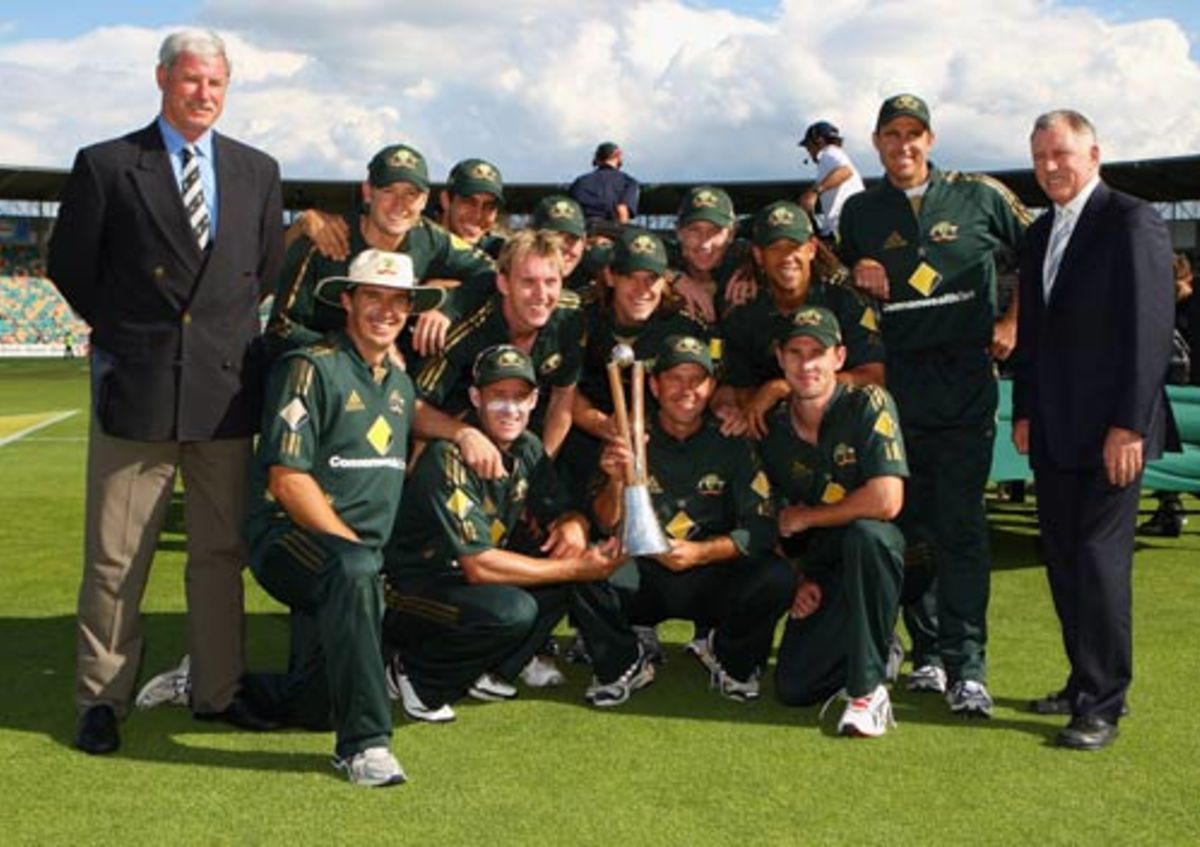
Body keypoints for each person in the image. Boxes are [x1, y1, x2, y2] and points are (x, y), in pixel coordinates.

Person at [47, 29, 284, 755]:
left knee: (219, 553)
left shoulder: (256, 170)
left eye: (215, 82)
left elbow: (263, 271)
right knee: (117, 558)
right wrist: (137, 335)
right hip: (140, 389)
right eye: (190, 80)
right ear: (161, 79)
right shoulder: (109, 165)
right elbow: (70, 266)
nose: (203, 93)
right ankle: (102, 698)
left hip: (222, 393)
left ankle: (219, 690)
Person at [232, 249, 504, 784]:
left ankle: (214, 682)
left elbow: (410, 411)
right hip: (291, 540)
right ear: (348, 300)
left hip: (358, 565)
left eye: (397, 300)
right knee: (353, 573)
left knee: (314, 702)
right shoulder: (310, 367)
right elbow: (287, 479)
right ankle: (365, 746)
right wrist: (352, 552)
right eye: (373, 297)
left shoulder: (398, 381)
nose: (386, 309)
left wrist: (463, 430)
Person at [838, 93, 1030, 717]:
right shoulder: (862, 211)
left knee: (963, 527)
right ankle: (926, 653)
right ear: (876, 143)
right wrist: (857, 266)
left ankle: (967, 666)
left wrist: (1013, 319)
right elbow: (843, 281)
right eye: (891, 135)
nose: (904, 145)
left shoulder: (981, 195)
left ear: (931, 138)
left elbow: (1043, 252)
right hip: (896, 390)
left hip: (966, 383)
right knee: (907, 524)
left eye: (914, 134)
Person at [1012, 110, 1177, 751]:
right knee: (1061, 559)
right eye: (1040, 157)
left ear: (1094, 154)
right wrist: (1025, 409)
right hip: (1053, 429)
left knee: (1099, 562)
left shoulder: (1132, 221)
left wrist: (1127, 426)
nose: (1051, 167)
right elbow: (1034, 336)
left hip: (1113, 433)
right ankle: (1085, 679)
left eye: (1061, 154)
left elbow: (1149, 332)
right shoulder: (1039, 232)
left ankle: (1104, 704)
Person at [381, 344, 625, 722]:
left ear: (534, 401)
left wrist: (575, 524)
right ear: (476, 397)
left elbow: (560, 507)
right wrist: (579, 569)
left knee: (567, 554)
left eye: (520, 397)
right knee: (514, 609)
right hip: (407, 590)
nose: (511, 409)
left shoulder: (527, 446)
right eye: (498, 397)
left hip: (465, 583)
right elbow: (479, 565)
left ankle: (486, 669)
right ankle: (416, 675)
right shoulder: (447, 456)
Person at [586, 335, 794, 703]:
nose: (687, 390)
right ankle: (624, 660)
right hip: (645, 575)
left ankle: (729, 655)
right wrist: (616, 481)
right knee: (583, 565)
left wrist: (700, 553)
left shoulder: (731, 441)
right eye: (674, 378)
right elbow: (605, 523)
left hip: (708, 577)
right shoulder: (630, 437)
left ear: (711, 386)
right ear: (654, 384)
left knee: (776, 576)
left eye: (697, 380)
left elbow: (762, 526)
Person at [760, 307, 907, 737]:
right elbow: (764, 515)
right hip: (827, 567)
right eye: (796, 353)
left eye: (818, 353)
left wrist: (808, 517)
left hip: (891, 557)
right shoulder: (772, 427)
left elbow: (886, 499)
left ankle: (868, 691)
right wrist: (797, 578)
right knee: (793, 687)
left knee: (866, 534)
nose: (807, 365)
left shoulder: (868, 402)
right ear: (781, 359)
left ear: (839, 357)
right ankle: (878, 645)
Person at [268, 144, 496, 360]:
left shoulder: (430, 238)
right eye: (389, 191)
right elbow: (280, 328)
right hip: (319, 370)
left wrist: (448, 307)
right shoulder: (327, 238)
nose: (399, 204)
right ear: (368, 192)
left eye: (411, 194)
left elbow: (491, 272)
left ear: (425, 200)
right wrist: (356, 351)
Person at [716, 200, 884, 439]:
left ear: (812, 249)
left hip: (845, 421)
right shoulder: (745, 309)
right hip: (775, 432)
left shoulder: (844, 298)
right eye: (775, 247)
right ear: (758, 255)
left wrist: (785, 387)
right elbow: (742, 388)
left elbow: (874, 377)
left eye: (794, 246)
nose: (787, 257)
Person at [415, 229, 583, 457]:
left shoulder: (570, 316)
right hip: (458, 434)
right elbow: (413, 408)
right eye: (528, 282)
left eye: (551, 282)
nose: (541, 294)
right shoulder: (466, 329)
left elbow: (562, 397)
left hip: (523, 430)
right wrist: (464, 434)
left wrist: (539, 467)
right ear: (503, 283)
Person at [798, 121, 865, 241]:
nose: (808, 151)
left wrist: (815, 192)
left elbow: (845, 171)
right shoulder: (835, 156)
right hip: (854, 227)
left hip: (841, 229)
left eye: (808, 145)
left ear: (818, 141)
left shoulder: (827, 153)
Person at [440, 157, 507, 259]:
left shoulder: (503, 255)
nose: (478, 215)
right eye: (469, 202)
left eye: (489, 206)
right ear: (446, 200)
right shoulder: (417, 246)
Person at [569, 141, 640, 226]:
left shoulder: (579, 182)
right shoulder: (628, 182)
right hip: (610, 230)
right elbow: (621, 210)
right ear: (618, 156)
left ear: (597, 159)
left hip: (583, 229)